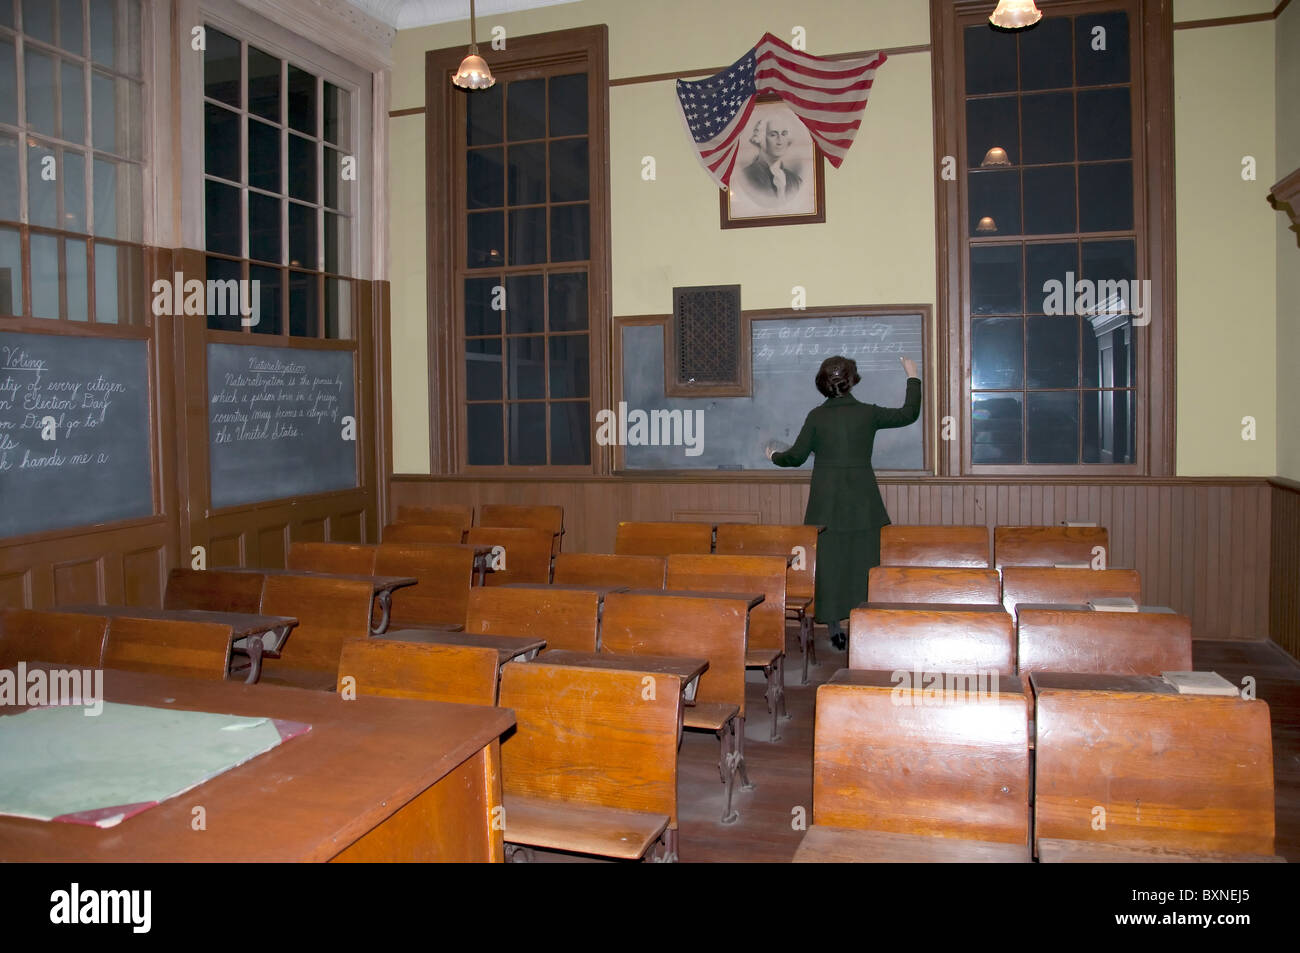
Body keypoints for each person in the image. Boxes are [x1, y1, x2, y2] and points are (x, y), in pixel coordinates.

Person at [767, 355, 922, 650]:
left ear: (823, 384)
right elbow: (908, 414)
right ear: (852, 381)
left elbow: (795, 457)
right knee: (864, 564)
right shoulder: (867, 413)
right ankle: (863, 622)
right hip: (864, 503)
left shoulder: (817, 417)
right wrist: (912, 376)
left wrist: (774, 456)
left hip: (827, 504)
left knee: (830, 565)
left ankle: (835, 627)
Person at [740, 115, 802, 204]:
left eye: (784, 134)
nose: (780, 140)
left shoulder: (796, 181)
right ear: (760, 138)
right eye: (773, 135)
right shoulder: (746, 177)